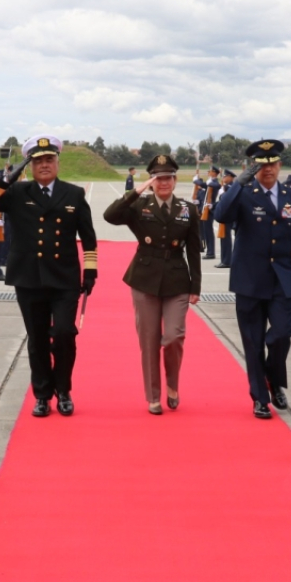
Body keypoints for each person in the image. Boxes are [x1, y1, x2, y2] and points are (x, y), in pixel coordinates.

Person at [0, 135, 97, 416]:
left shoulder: (74, 194)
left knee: (65, 333)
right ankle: (42, 394)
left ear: (57, 162)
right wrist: (7, 179)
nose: (45, 165)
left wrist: (90, 272)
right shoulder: (18, 193)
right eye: (38, 160)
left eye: (49, 160)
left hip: (64, 277)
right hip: (29, 278)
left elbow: (89, 238)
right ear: (30, 165)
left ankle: (63, 389)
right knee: (38, 338)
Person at [212, 139, 291, 418]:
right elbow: (221, 215)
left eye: (272, 164)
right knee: (253, 341)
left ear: (280, 165)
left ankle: (273, 379)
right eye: (261, 165)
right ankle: (260, 397)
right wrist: (236, 185)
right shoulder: (243, 193)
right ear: (253, 168)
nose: (268, 170)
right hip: (250, 279)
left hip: (282, 280)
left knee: (282, 335)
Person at [103, 154, 202, 414]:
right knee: (148, 341)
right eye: (158, 178)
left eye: (168, 177)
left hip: (178, 280)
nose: (164, 183)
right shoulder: (139, 205)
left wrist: (196, 287)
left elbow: (194, 251)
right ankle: (153, 396)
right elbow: (110, 215)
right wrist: (136, 192)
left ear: (175, 179)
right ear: (152, 180)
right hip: (145, 279)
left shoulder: (187, 209)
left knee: (173, 336)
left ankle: (173, 384)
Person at [193, 166, 220, 259]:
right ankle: (209, 251)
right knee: (206, 231)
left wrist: (196, 180)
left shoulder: (215, 183)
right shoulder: (210, 183)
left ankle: (211, 252)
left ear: (215, 173)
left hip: (209, 210)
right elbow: (203, 185)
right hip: (205, 209)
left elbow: (213, 185)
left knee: (209, 232)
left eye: (210, 171)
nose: (208, 172)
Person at [216, 169, 236, 268]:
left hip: (228, 215)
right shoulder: (226, 187)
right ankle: (224, 259)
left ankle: (227, 260)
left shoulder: (230, 187)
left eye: (225, 176)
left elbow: (227, 200)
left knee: (226, 238)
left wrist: (222, 193)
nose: (223, 178)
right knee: (223, 238)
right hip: (224, 215)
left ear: (230, 177)